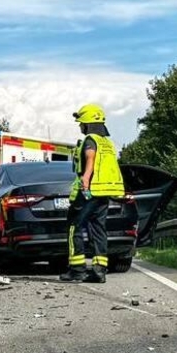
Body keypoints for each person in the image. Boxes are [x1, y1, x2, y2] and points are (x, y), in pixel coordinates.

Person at [60, 104, 125, 284]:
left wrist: (86, 179)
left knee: (74, 227)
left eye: (81, 123)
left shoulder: (90, 140)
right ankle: (99, 271)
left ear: (88, 123)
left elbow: (90, 157)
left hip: (89, 191)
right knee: (98, 229)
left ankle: (77, 270)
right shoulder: (107, 143)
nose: (80, 126)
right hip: (103, 192)